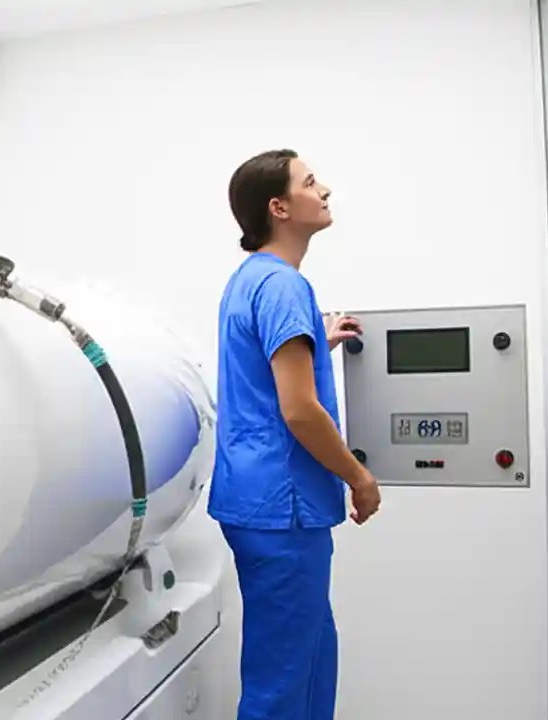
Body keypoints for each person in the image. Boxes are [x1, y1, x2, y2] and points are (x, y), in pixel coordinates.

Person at [208, 148, 381, 720]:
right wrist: (358, 477)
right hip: (282, 511)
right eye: (310, 182)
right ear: (278, 207)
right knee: (282, 682)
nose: (324, 189)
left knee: (310, 656)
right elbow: (300, 411)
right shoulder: (282, 287)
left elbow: (265, 371)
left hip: (260, 503)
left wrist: (315, 339)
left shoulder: (251, 280)